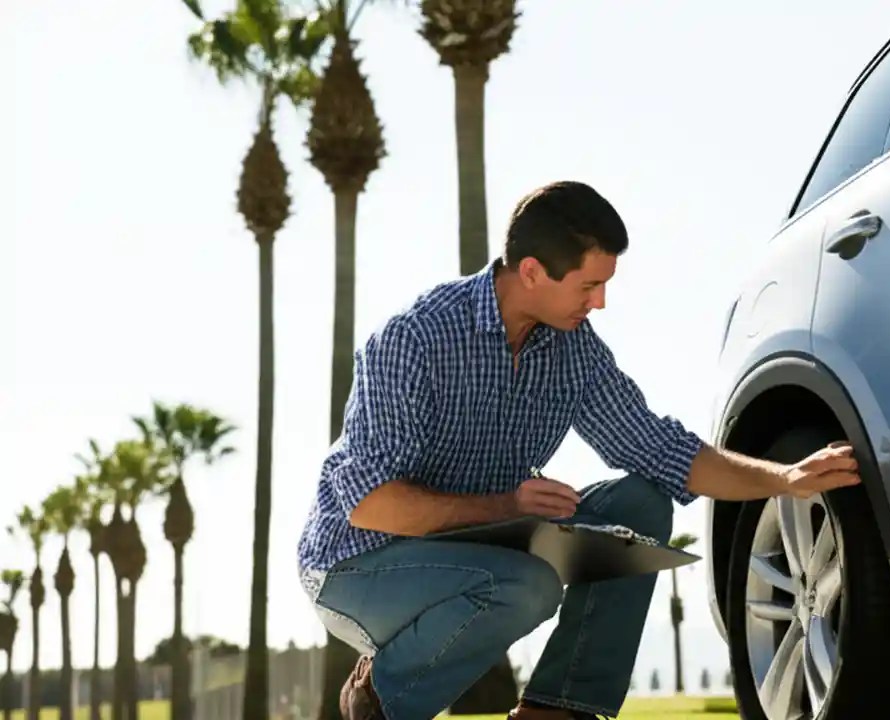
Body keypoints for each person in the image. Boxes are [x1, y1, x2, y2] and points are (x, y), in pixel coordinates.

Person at [295, 181, 861, 720]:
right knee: (529, 586)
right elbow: (373, 506)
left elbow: (663, 448)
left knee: (640, 506)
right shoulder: (413, 340)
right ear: (533, 272)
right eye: (588, 286)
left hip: (476, 543)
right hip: (358, 562)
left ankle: (557, 709)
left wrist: (786, 476)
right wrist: (508, 506)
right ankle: (380, 701)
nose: (601, 302)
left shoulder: (572, 350)